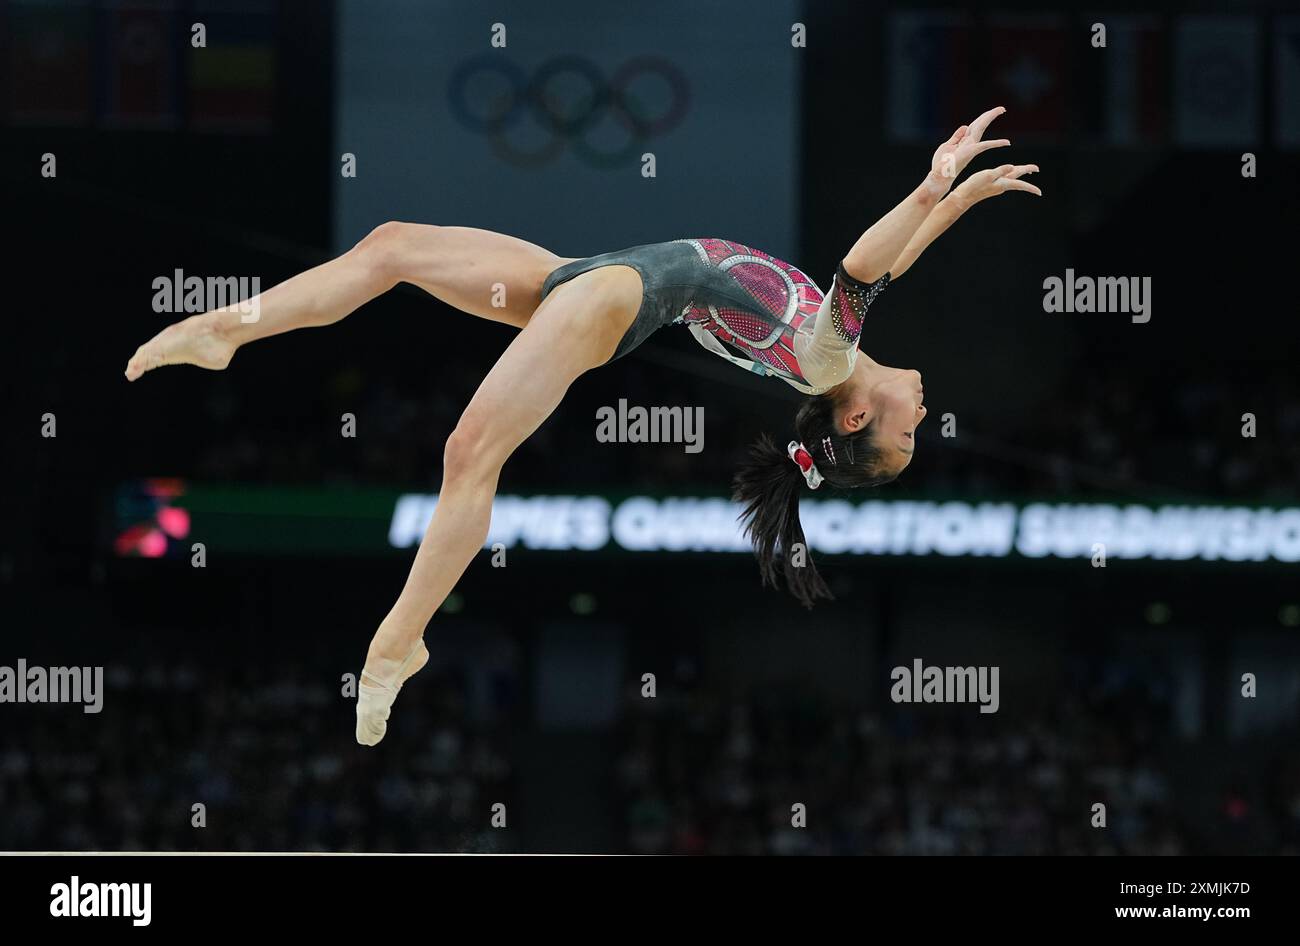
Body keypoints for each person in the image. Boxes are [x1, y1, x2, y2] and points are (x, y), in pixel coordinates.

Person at [124, 106, 1040, 745]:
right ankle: (228, 330)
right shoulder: (835, 357)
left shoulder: (832, 357)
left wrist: (931, 188)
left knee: (469, 454)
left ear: (855, 416)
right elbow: (883, 275)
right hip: (588, 275)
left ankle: (396, 643)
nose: (926, 414)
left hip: (616, 297)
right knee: (393, 245)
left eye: (908, 433)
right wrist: (958, 201)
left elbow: (859, 268)